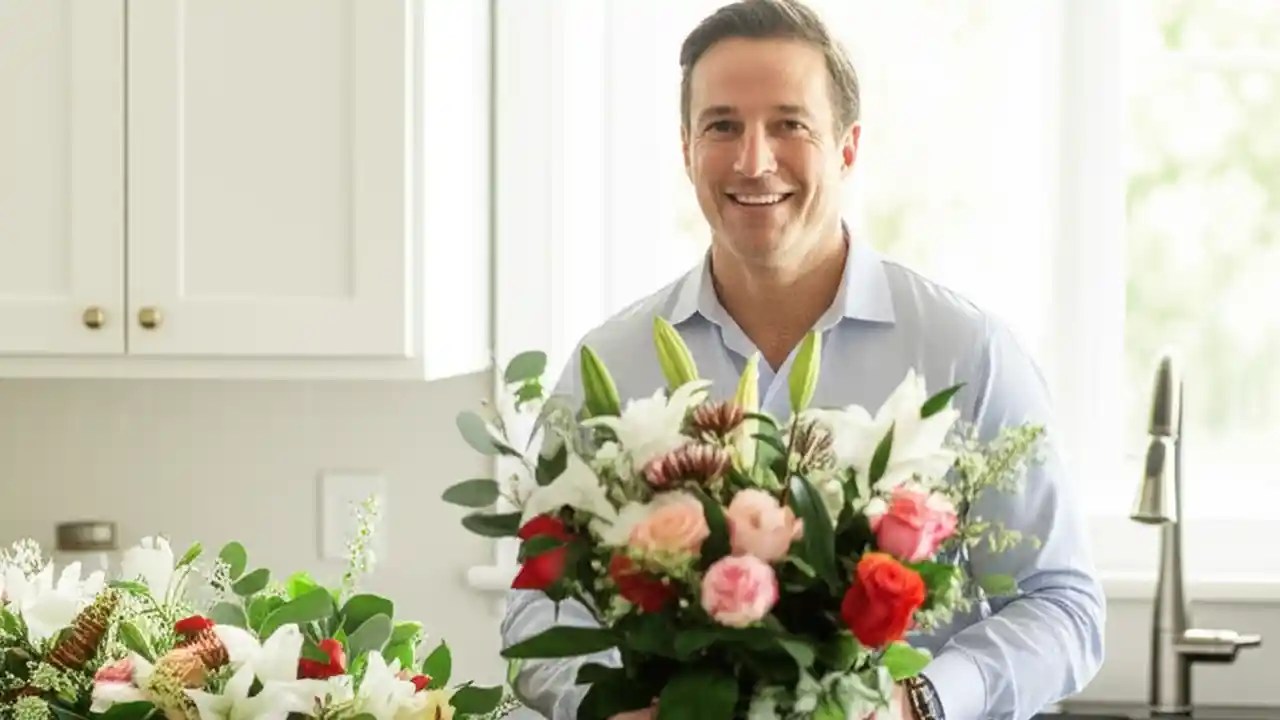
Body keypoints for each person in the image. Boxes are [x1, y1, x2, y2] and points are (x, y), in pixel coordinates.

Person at [500, 1, 1106, 718]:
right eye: (722, 125)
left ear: (847, 148)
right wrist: (607, 710)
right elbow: (541, 609)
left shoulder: (967, 354)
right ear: (687, 148)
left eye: (790, 124)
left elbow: (1063, 608)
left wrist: (920, 703)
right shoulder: (611, 363)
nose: (754, 161)